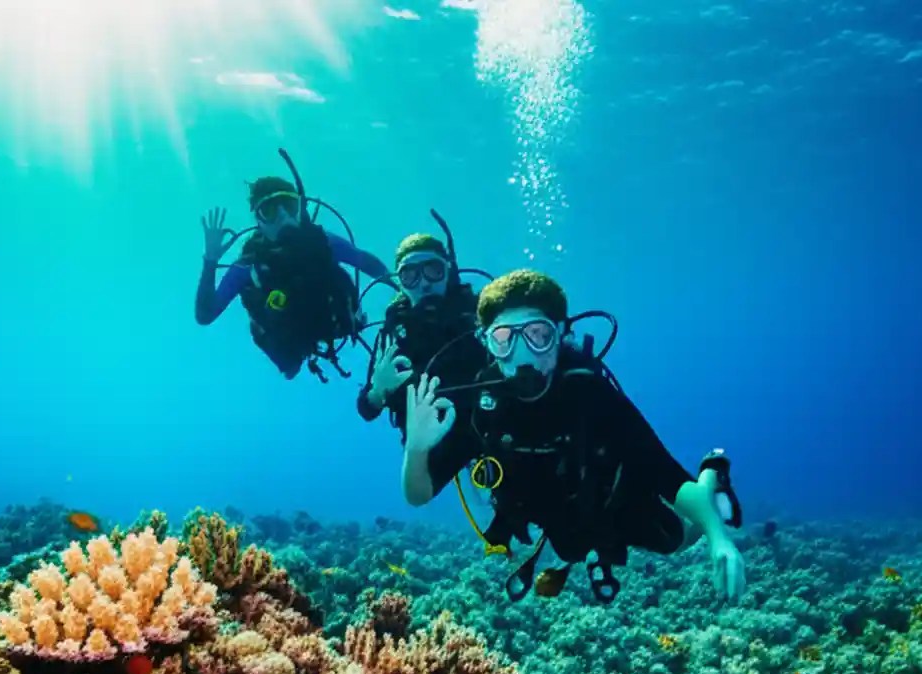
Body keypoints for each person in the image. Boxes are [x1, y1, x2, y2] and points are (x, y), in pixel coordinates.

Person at [399, 269, 747, 604]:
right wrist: (416, 449)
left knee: (678, 540)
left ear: (561, 334)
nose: (521, 355)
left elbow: (668, 477)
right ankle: (705, 508)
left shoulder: (590, 395)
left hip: (610, 500)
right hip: (552, 516)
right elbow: (419, 493)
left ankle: (712, 478)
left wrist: (719, 539)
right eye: (504, 339)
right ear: (487, 344)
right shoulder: (484, 409)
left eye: (537, 335)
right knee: (570, 548)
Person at [195, 175, 389, 381]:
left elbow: (367, 263)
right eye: (269, 211)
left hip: (332, 322)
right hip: (287, 337)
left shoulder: (323, 243)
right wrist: (210, 261)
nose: (282, 217)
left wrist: (402, 287)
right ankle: (289, 361)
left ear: (299, 209)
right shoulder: (250, 264)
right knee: (288, 363)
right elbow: (205, 315)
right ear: (259, 221)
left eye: (288, 206)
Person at [357, 232, 489, 441]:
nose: (424, 283)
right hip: (431, 445)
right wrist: (378, 391)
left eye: (433, 270)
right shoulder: (395, 334)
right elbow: (367, 410)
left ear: (449, 271)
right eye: (410, 276)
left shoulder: (482, 314)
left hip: (491, 426)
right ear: (400, 284)